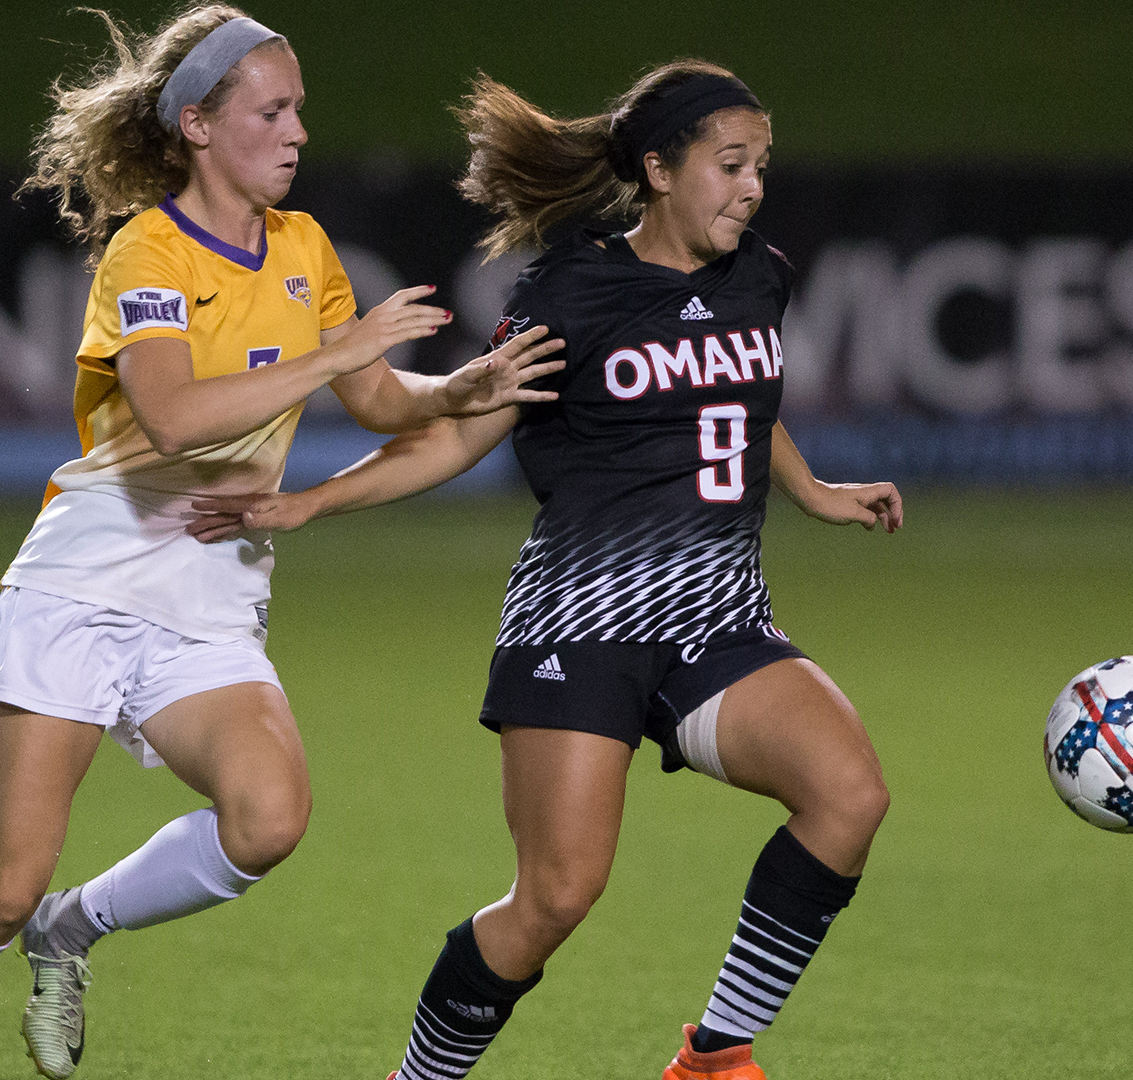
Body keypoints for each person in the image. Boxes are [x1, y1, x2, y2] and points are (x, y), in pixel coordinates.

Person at [0, 8, 565, 1080]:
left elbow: (376, 398)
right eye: (273, 110)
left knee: (268, 817)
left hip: (210, 587)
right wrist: (337, 358)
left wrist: (452, 387)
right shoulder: (146, 249)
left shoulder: (303, 247)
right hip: (85, 580)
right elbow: (178, 416)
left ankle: (73, 927)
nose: (298, 132)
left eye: (301, 112)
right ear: (197, 125)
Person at [191, 61, 902, 1080]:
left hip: (718, 620)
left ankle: (712, 1057)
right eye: (731, 165)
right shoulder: (573, 291)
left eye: (762, 167)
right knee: (556, 898)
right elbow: (452, 437)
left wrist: (815, 489)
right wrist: (312, 500)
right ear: (659, 170)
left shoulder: (760, 276)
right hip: (581, 624)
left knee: (850, 796)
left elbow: (739, 401)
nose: (752, 187)